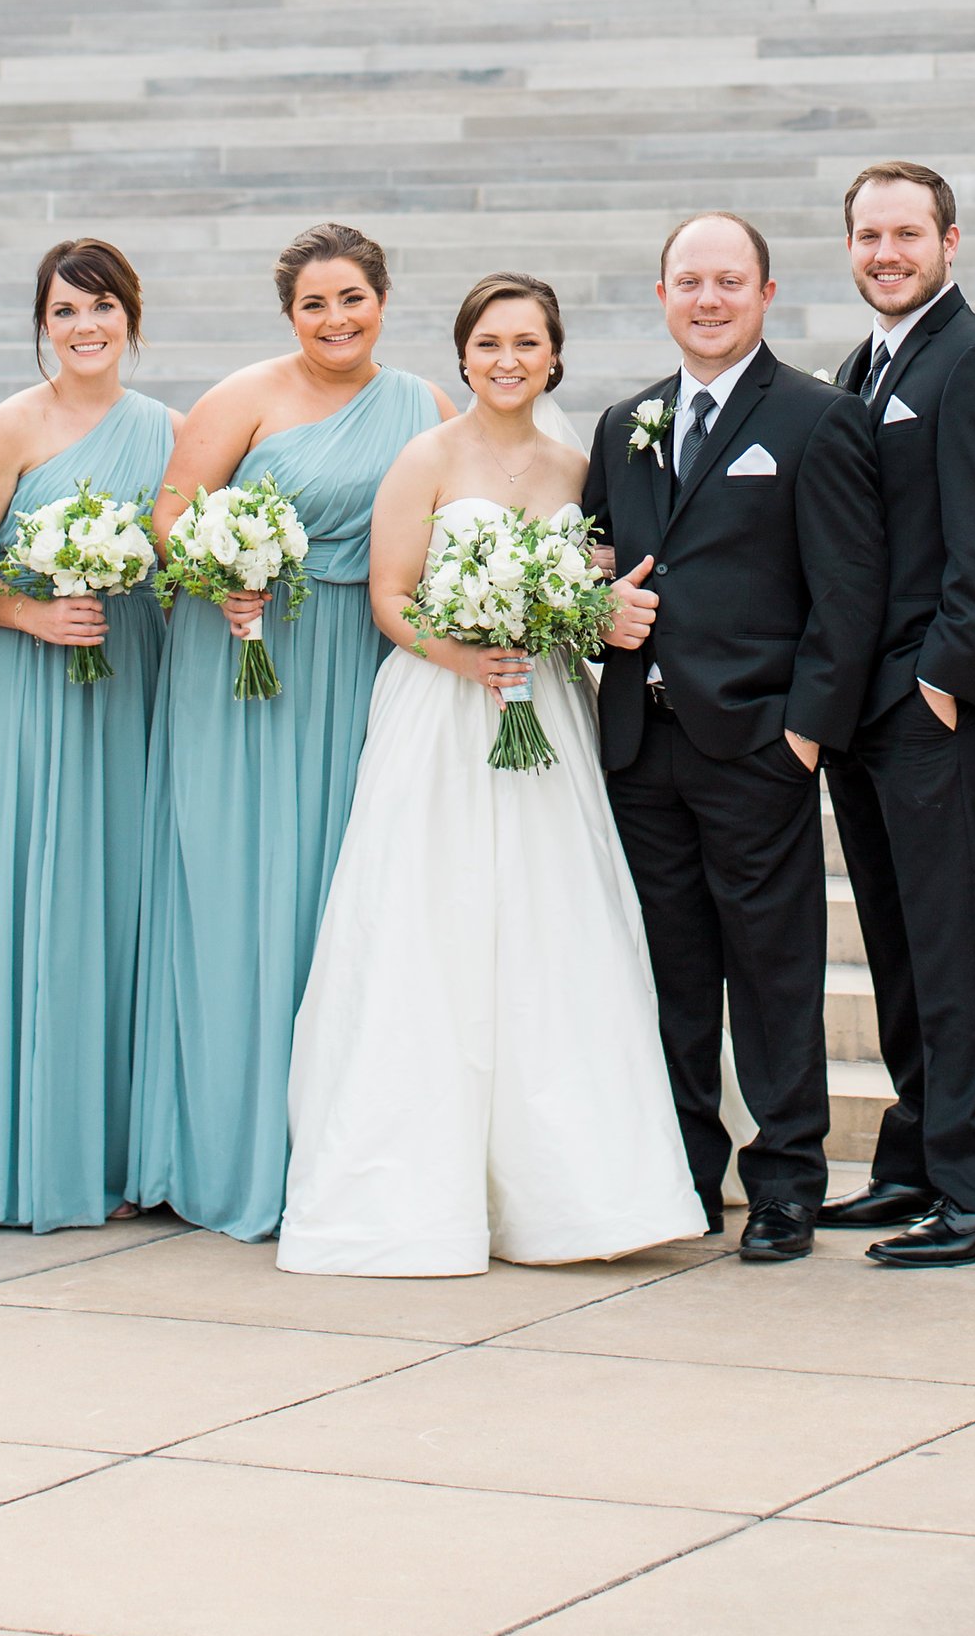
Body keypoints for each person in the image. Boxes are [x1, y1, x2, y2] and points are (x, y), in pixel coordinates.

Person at [280, 275, 706, 1274]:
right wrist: (464, 656)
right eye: (488, 342)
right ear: (463, 354)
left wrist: (578, 617)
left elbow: (601, 587)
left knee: (551, 929)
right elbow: (389, 596)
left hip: (548, 715)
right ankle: (413, 1191)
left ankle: (573, 1196)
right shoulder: (424, 458)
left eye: (526, 342)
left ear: (553, 356)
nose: (507, 359)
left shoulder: (577, 466)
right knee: (433, 928)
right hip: (441, 717)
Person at [127, 222, 449, 1237]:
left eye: (351, 298)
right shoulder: (244, 399)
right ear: (289, 314)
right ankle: (223, 1149)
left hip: (361, 662)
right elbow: (168, 522)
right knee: (234, 898)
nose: (335, 319)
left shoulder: (424, 406)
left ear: (384, 301)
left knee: (337, 901)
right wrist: (223, 574)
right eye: (314, 304)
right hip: (244, 668)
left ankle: (332, 1154)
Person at [585, 212, 886, 1262]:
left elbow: (850, 593)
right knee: (669, 973)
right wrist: (593, 616)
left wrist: (804, 735)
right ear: (661, 295)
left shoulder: (816, 417)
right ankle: (682, 1172)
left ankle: (790, 1179)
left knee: (772, 969)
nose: (706, 300)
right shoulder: (626, 421)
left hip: (757, 743)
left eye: (727, 281)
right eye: (687, 281)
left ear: (764, 294)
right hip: (639, 743)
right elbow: (598, 565)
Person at [0, 239, 175, 1233]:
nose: (86, 327)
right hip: (33, 689)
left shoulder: (171, 431)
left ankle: (114, 1148)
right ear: (43, 325)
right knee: (30, 894)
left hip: (132, 684)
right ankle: (21, 1150)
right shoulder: (8, 429)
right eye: (66, 311)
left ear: (132, 319)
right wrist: (31, 615)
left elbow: (187, 549)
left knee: (117, 901)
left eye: (103, 308)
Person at [821, 163, 975, 1268]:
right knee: (901, 947)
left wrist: (945, 678)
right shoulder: (863, 363)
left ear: (951, 242)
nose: (886, 253)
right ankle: (911, 1163)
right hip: (863, 711)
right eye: (868, 235)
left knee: (950, 944)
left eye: (907, 233)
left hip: (933, 707)